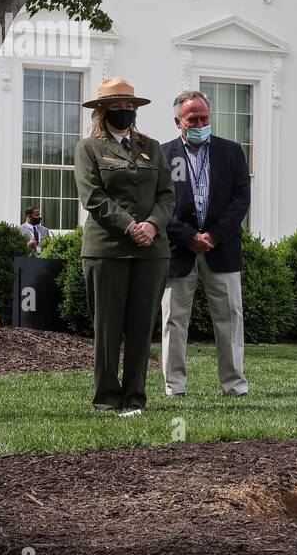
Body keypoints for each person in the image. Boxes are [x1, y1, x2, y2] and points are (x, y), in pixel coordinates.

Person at [73, 77, 174, 416]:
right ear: (102, 111)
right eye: (117, 107)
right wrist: (131, 226)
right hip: (107, 249)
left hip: (151, 250)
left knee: (141, 326)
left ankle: (135, 397)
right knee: (108, 326)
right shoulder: (89, 148)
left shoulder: (152, 147)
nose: (124, 112)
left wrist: (152, 225)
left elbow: (166, 195)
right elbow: (93, 197)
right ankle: (106, 396)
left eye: (129, 106)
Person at [160, 89, 252, 397]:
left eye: (204, 117)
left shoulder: (232, 152)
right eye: (193, 119)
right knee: (174, 322)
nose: (200, 123)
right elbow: (159, 205)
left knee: (230, 319)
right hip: (178, 251)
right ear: (178, 121)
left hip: (221, 249)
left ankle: (235, 385)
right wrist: (188, 236)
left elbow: (241, 200)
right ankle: (175, 387)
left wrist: (213, 235)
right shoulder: (163, 155)